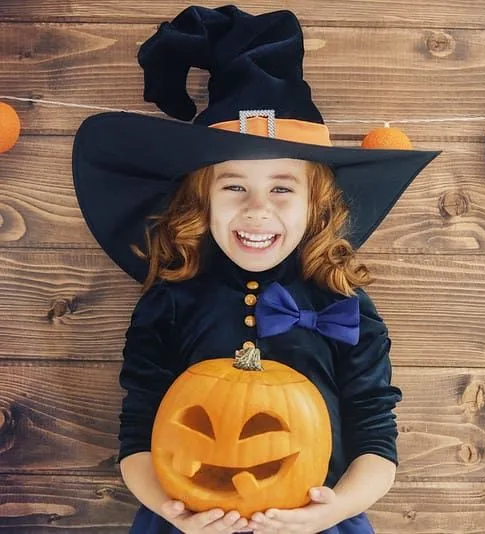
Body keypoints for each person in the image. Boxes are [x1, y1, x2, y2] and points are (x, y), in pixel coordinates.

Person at [71, 5, 440, 533]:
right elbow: (137, 434)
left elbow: (377, 438)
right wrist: (168, 506)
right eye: (234, 186)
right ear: (203, 199)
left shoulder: (341, 303)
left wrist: (334, 510)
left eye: (282, 188)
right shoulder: (172, 299)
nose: (257, 209)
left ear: (317, 202)